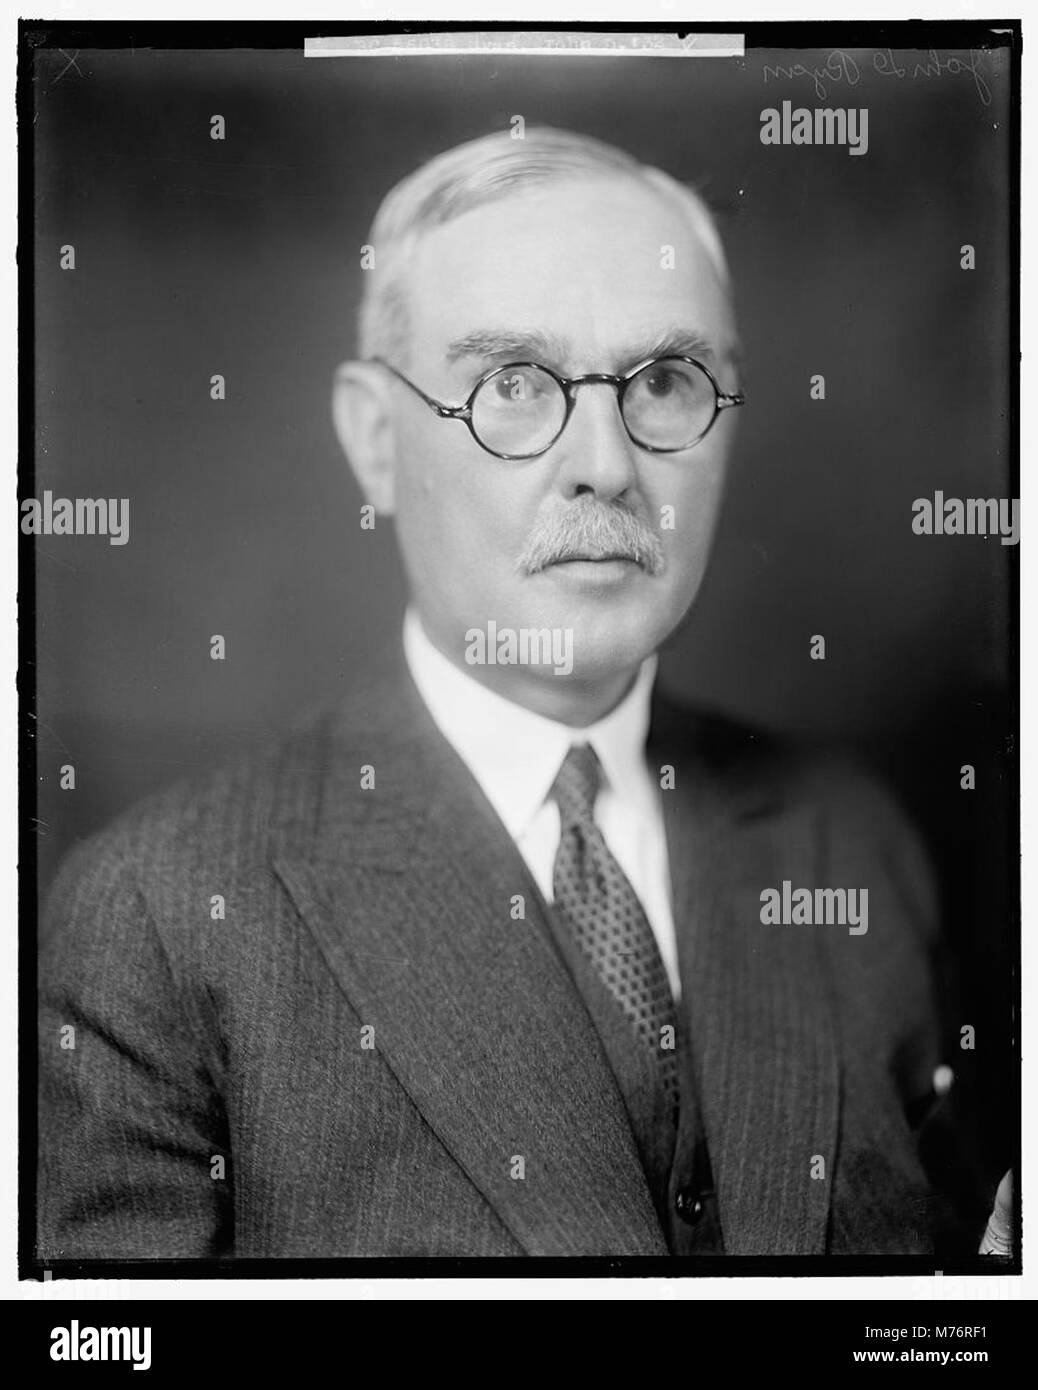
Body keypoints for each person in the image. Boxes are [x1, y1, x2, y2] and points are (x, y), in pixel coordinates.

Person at [38, 127, 973, 1259]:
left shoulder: (849, 845)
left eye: (666, 382)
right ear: (376, 442)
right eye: (514, 385)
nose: (608, 465)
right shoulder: (156, 919)